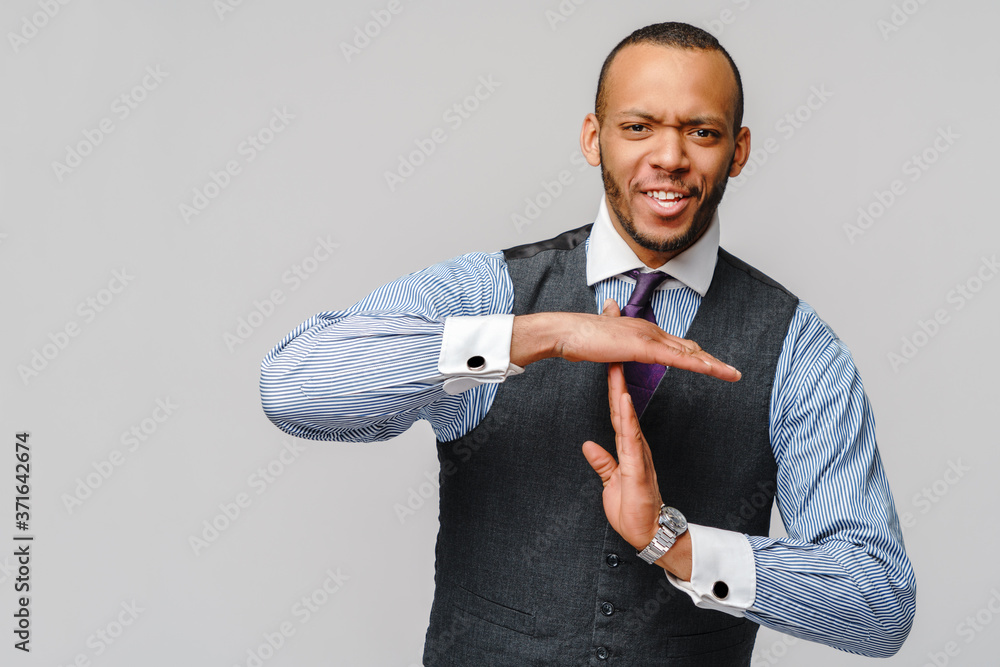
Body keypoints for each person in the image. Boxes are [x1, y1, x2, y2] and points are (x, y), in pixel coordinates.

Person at [260, 22, 915, 666]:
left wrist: (673, 544)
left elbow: (880, 603)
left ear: (738, 151)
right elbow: (291, 386)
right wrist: (547, 332)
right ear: (593, 138)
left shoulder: (797, 345)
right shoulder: (493, 290)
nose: (669, 157)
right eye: (639, 127)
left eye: (702, 132)